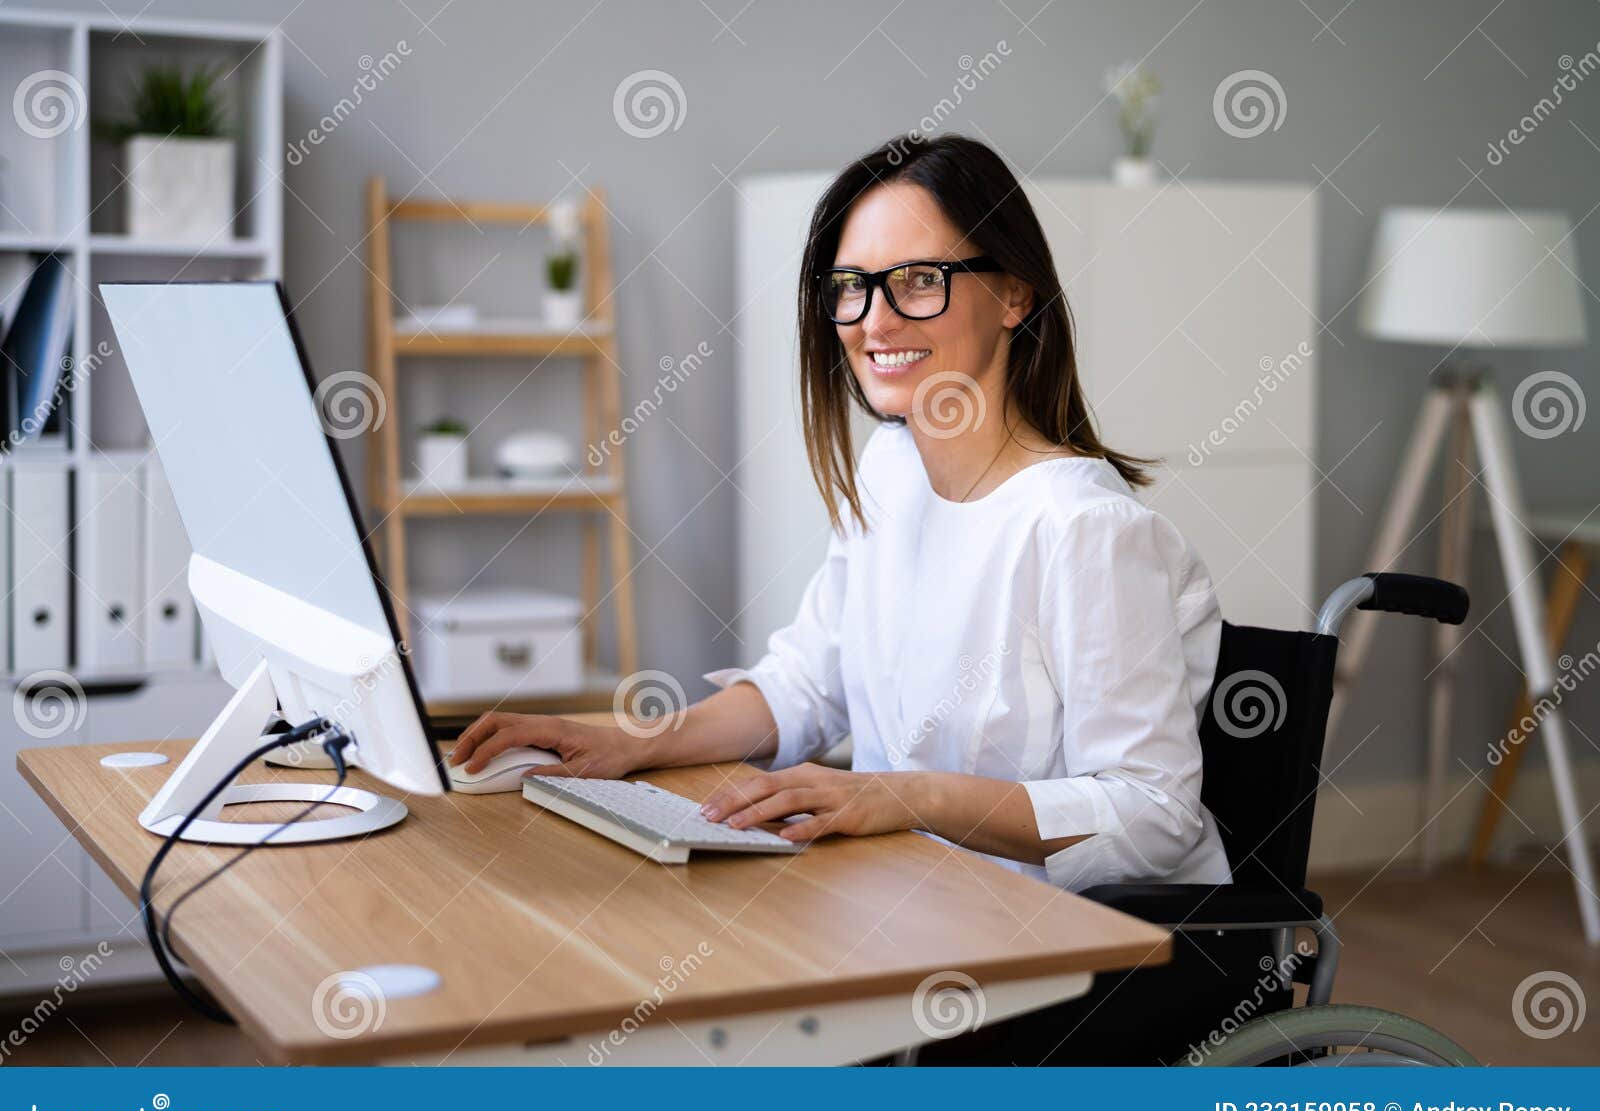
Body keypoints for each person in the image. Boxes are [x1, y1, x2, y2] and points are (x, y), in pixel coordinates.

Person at [453, 134, 1262, 1064]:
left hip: (1059, 957)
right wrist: (634, 743)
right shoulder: (890, 469)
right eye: (850, 287)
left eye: (917, 279)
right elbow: (807, 684)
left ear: (1014, 293)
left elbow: (1153, 813)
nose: (873, 318)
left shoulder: (1083, 527)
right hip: (902, 909)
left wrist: (902, 795)